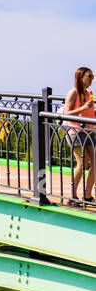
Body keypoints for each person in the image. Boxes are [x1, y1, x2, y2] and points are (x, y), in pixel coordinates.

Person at [63, 66, 96, 203]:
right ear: (80, 77)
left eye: (92, 76)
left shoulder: (88, 94)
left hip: (88, 131)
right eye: (89, 76)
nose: (91, 79)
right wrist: (83, 108)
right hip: (75, 132)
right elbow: (66, 113)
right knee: (83, 163)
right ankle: (72, 196)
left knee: (94, 163)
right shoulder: (74, 93)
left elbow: (89, 113)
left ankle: (87, 196)